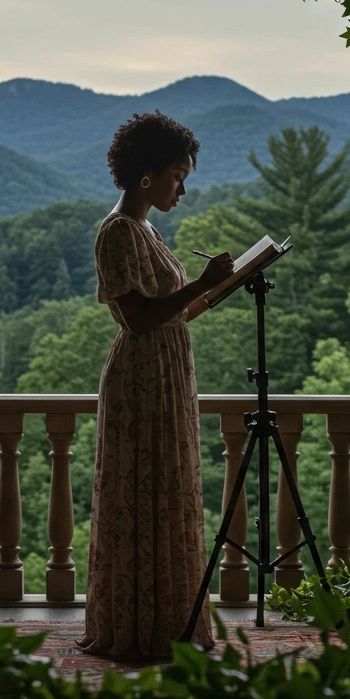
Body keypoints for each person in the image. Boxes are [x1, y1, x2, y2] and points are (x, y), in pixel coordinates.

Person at [77, 111, 235, 660]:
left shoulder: (146, 228)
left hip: (166, 372)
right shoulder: (118, 231)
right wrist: (200, 282)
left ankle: (166, 620)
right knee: (142, 492)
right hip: (142, 376)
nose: (182, 190)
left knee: (166, 490)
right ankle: (137, 627)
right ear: (147, 175)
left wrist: (221, 287)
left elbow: (177, 313)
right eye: (177, 176)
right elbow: (140, 318)